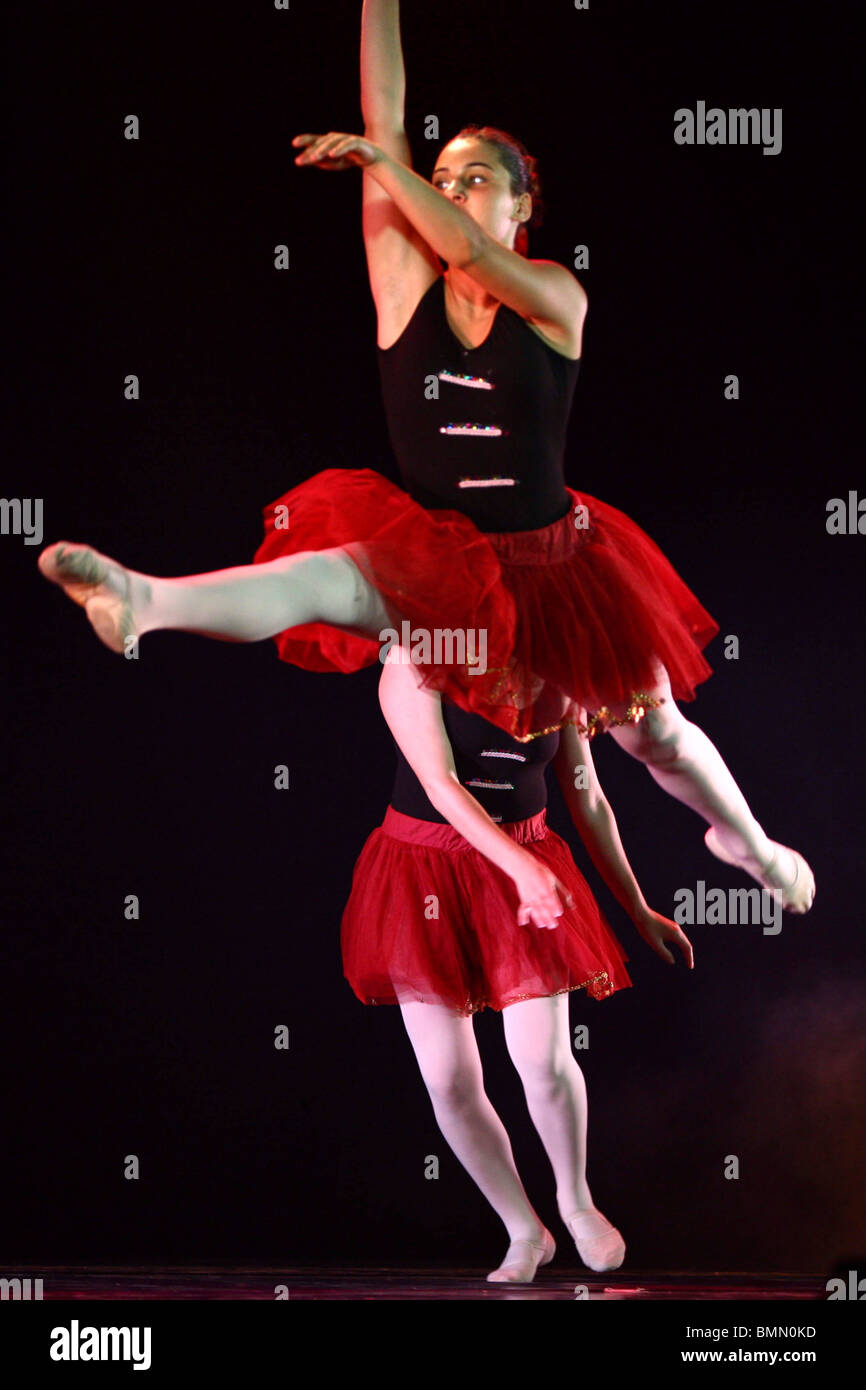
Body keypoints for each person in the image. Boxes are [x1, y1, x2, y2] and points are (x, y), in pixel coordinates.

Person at [36, 0, 814, 911]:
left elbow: (469, 243)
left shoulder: (554, 298)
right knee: (328, 573)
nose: (450, 188)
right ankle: (145, 599)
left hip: (558, 569)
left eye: (477, 177)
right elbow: (385, 115)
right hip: (443, 565)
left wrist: (381, 166)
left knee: (659, 738)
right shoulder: (403, 284)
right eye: (440, 176)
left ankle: (754, 848)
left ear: (523, 205)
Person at [340, 642, 692, 1282]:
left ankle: (576, 1202)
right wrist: (519, 868)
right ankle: (524, 1229)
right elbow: (441, 786)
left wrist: (637, 907)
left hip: (529, 862)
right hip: (424, 873)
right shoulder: (415, 663)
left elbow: (587, 797)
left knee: (542, 1058)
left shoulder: (555, 673)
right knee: (447, 1077)